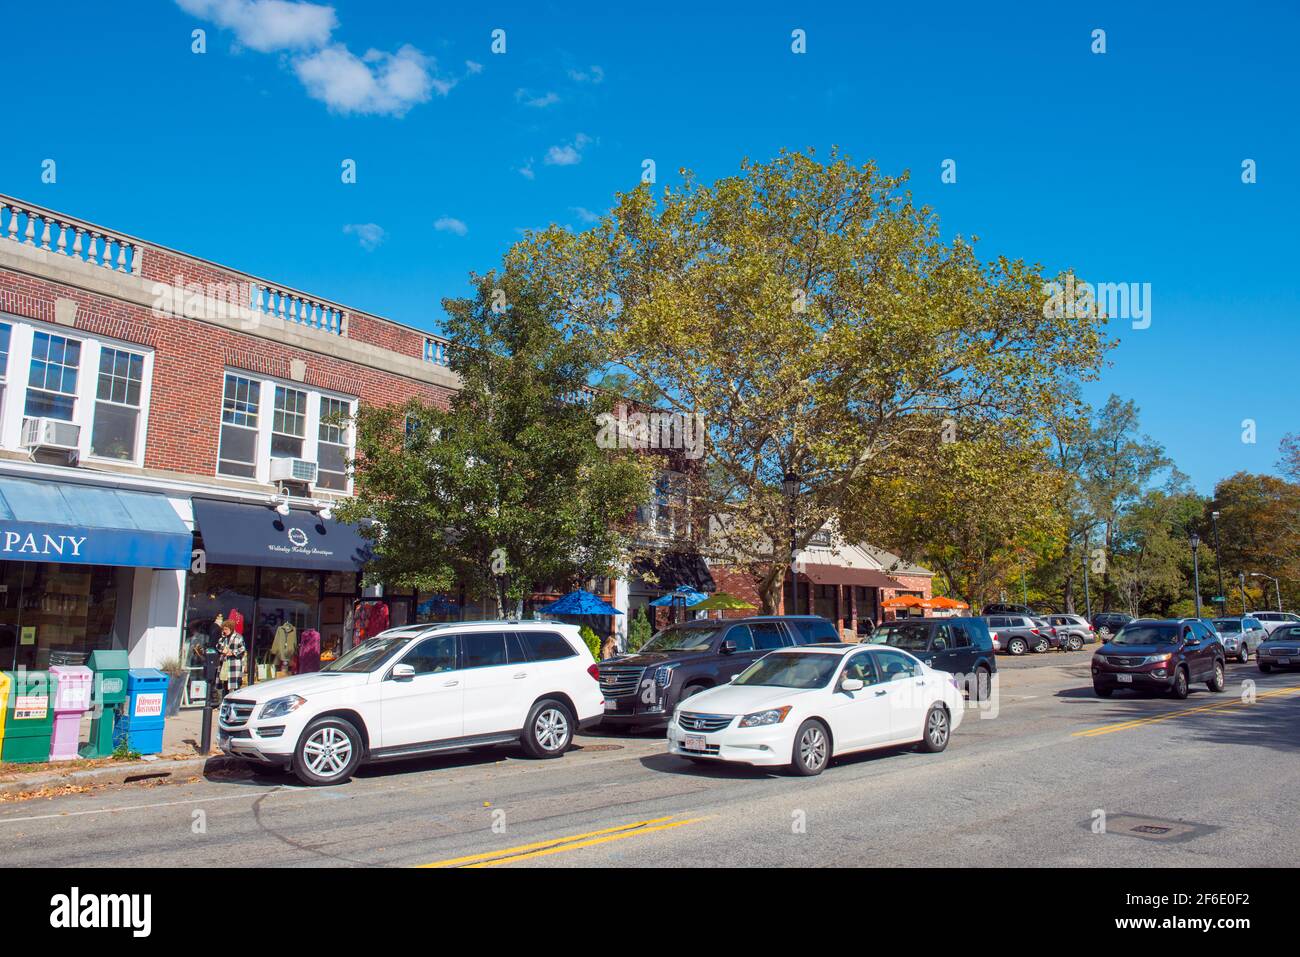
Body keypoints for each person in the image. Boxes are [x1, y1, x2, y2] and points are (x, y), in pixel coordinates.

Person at [217, 609, 247, 697]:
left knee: (235, 684)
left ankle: (235, 700)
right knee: (224, 682)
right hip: (225, 662)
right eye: (223, 629)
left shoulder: (238, 637)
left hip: (234, 663)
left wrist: (233, 652)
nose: (224, 631)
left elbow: (242, 648)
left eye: (226, 629)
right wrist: (222, 649)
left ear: (231, 629)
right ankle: (224, 700)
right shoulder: (223, 638)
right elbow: (218, 645)